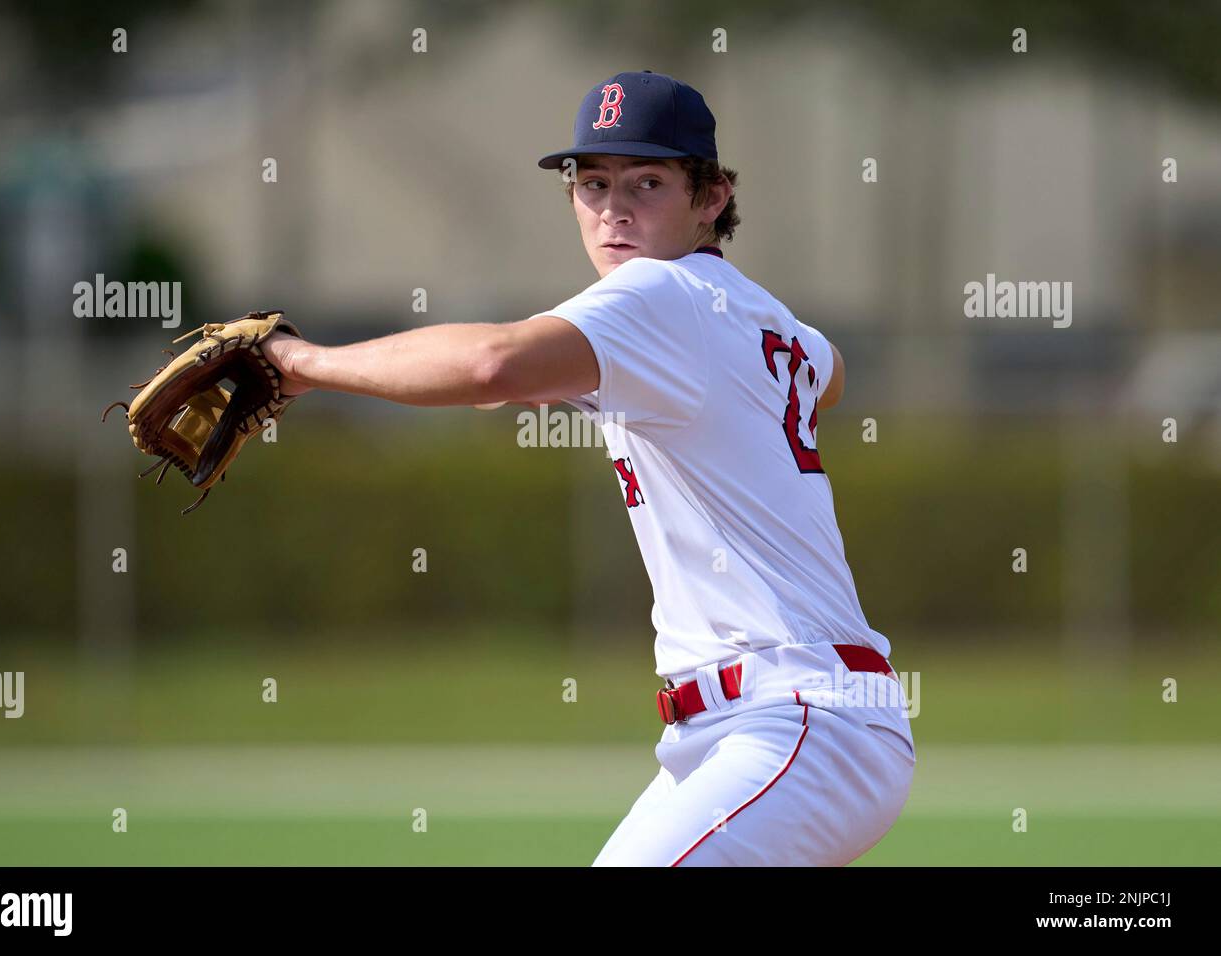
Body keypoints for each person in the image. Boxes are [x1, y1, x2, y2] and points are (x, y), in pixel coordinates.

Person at [262, 70, 915, 866]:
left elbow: (492, 365)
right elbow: (830, 370)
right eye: (593, 182)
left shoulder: (659, 295)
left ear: (712, 197)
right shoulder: (753, 312)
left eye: (648, 181)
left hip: (797, 717)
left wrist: (297, 362)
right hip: (768, 725)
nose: (614, 208)